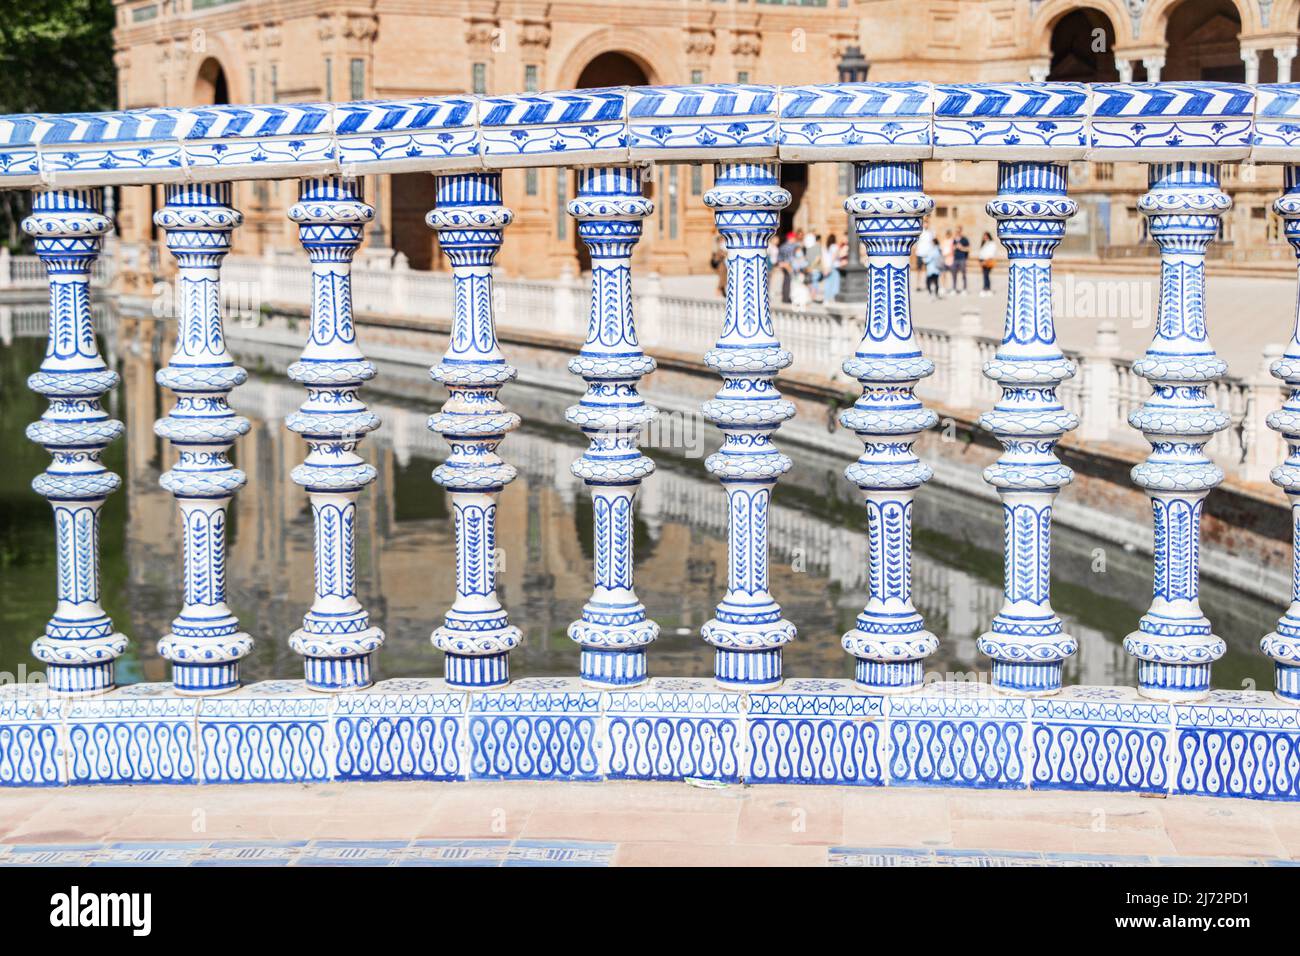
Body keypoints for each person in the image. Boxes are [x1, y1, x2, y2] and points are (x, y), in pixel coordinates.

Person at [777, 230, 799, 304]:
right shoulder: (793, 246)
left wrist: (781, 263)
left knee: (786, 281)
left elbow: (779, 257)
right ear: (791, 238)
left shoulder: (782, 246)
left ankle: (785, 297)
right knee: (791, 282)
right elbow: (793, 257)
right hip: (790, 266)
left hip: (784, 265)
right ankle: (789, 297)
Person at [915, 218, 936, 292]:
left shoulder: (931, 233)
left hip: (928, 254)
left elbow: (934, 243)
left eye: (927, 223)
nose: (926, 225)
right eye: (925, 223)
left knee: (929, 270)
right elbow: (916, 243)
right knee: (919, 270)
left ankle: (928, 284)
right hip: (920, 253)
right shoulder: (919, 232)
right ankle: (918, 285)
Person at [822, 233, 841, 303]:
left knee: (827, 283)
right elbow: (834, 257)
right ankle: (832, 298)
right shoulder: (835, 247)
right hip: (834, 267)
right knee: (835, 283)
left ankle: (826, 299)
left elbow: (824, 258)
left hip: (827, 266)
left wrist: (825, 268)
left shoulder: (826, 247)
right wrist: (830, 266)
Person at [978, 231, 998, 297]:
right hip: (982, 260)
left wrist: (986, 261)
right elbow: (981, 252)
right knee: (984, 275)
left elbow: (991, 253)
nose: (985, 237)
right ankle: (985, 288)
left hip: (988, 260)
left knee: (986, 275)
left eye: (986, 236)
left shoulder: (992, 243)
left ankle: (987, 288)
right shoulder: (983, 243)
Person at [952, 225, 970, 295]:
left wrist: (961, 248)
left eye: (958, 231)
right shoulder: (954, 239)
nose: (957, 232)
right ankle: (954, 288)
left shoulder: (964, 239)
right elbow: (952, 248)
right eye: (956, 231)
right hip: (955, 259)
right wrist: (955, 247)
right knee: (954, 274)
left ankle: (964, 289)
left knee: (963, 275)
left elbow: (968, 249)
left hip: (962, 259)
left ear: (961, 231)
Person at [939, 229, 955, 294]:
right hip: (944, 259)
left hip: (950, 259)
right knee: (943, 274)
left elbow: (953, 250)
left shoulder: (952, 241)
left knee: (952, 274)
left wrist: (948, 254)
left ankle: (952, 288)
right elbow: (941, 249)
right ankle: (943, 287)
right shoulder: (944, 241)